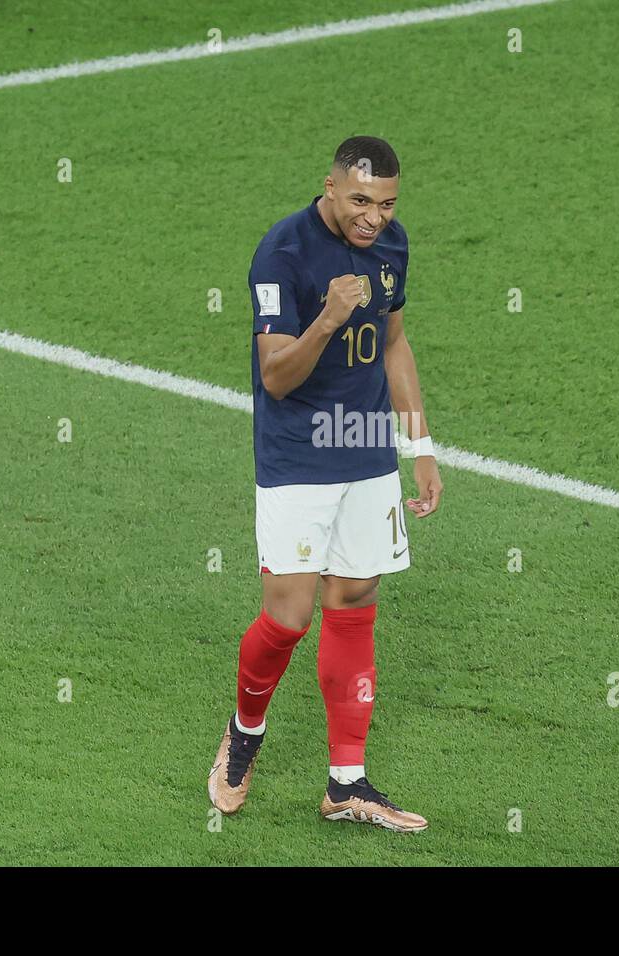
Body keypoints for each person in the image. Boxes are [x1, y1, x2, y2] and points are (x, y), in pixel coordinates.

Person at [207, 136, 443, 832]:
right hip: (297, 456)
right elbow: (277, 374)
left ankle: (348, 782)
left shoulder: (393, 248)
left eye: (388, 204)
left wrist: (419, 444)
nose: (375, 218)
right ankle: (245, 731)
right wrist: (329, 317)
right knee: (288, 618)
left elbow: (394, 342)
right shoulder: (282, 254)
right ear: (332, 188)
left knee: (357, 597)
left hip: (367, 452)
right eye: (363, 201)